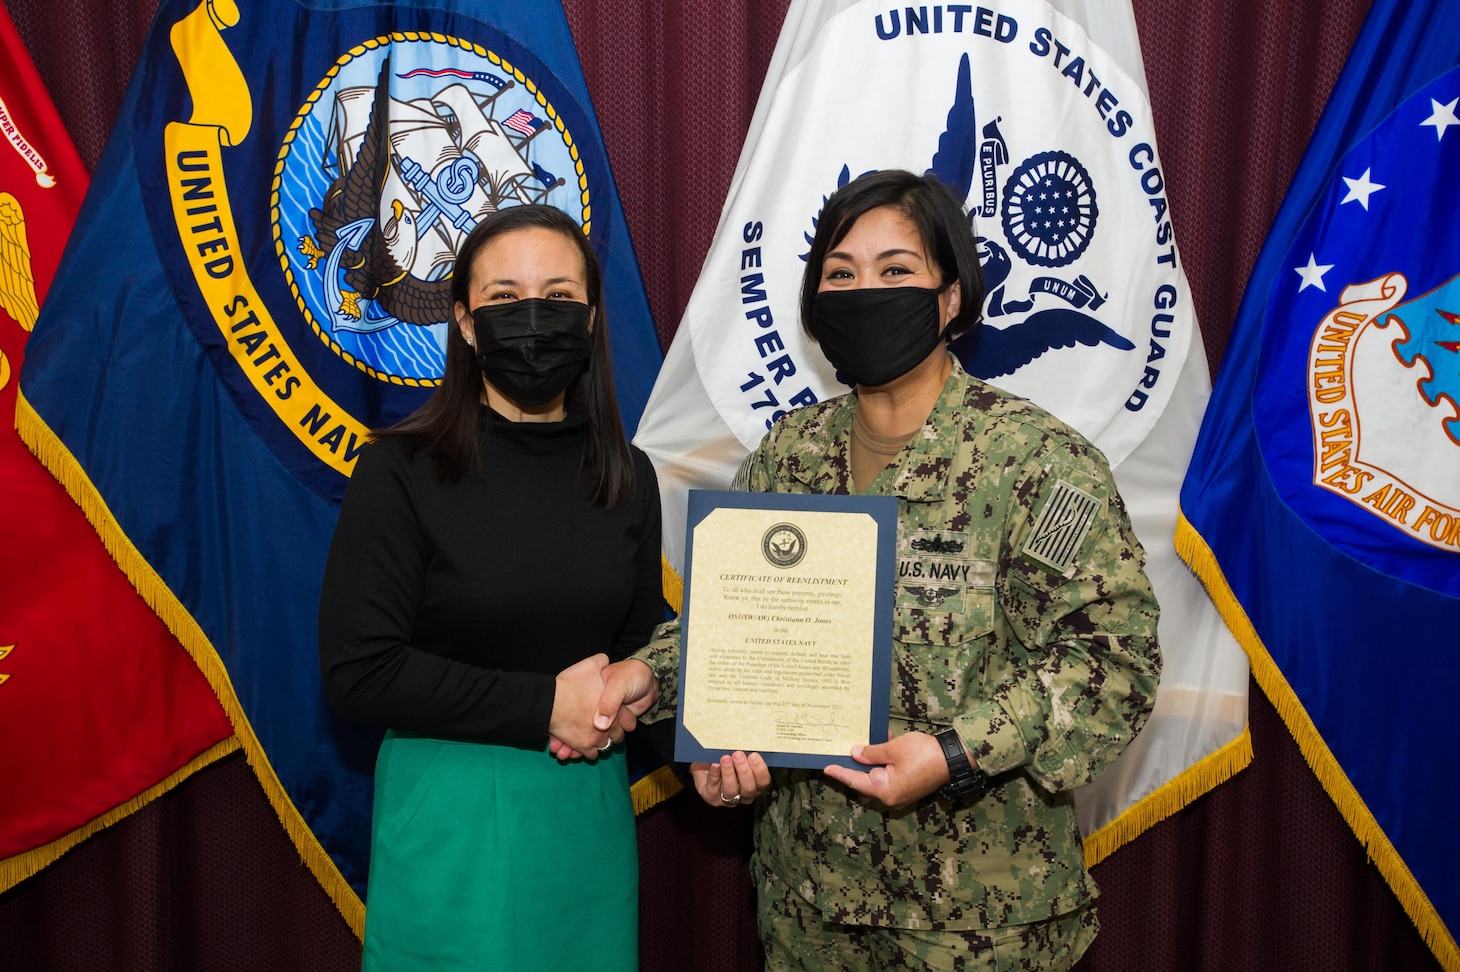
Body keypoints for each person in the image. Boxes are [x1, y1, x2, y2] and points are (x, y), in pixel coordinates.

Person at [597, 169, 1162, 970]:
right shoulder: (786, 458)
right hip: (808, 915)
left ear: (953, 295)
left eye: (896, 271)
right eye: (841, 274)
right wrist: (663, 691)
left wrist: (955, 753)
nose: (866, 291)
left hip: (977, 929)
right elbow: (736, 637)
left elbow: (1112, 665)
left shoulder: (1040, 464)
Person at [318, 205, 662, 971]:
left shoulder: (627, 475)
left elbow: (643, 643)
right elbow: (358, 671)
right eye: (505, 298)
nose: (533, 317)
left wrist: (699, 732)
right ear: (467, 324)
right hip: (449, 821)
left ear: (592, 319)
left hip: (585, 818)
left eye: (559, 296)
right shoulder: (399, 469)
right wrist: (546, 706)